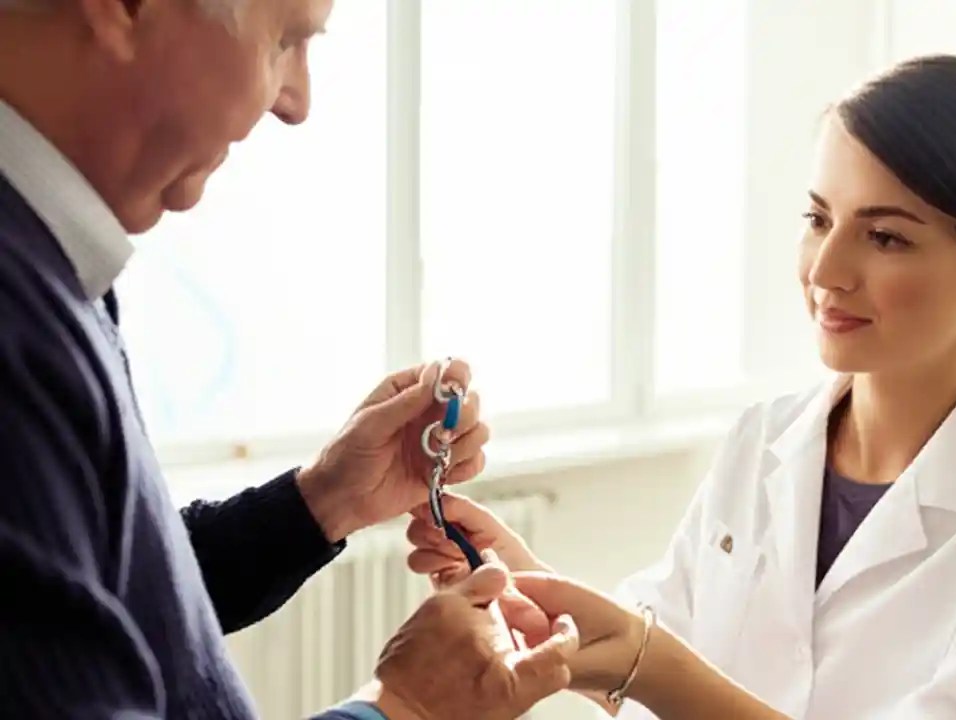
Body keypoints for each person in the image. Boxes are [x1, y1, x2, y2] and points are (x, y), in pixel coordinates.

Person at [408, 55, 956, 718]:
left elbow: (659, 666)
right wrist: (538, 594)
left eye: (885, 236)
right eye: (818, 218)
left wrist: (646, 661)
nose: (826, 271)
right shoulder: (764, 437)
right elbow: (658, 647)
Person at [0, 0, 578, 718]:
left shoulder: (52, 267)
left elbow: (105, 599)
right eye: (285, 42)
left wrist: (323, 501)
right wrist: (402, 708)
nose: (297, 102)